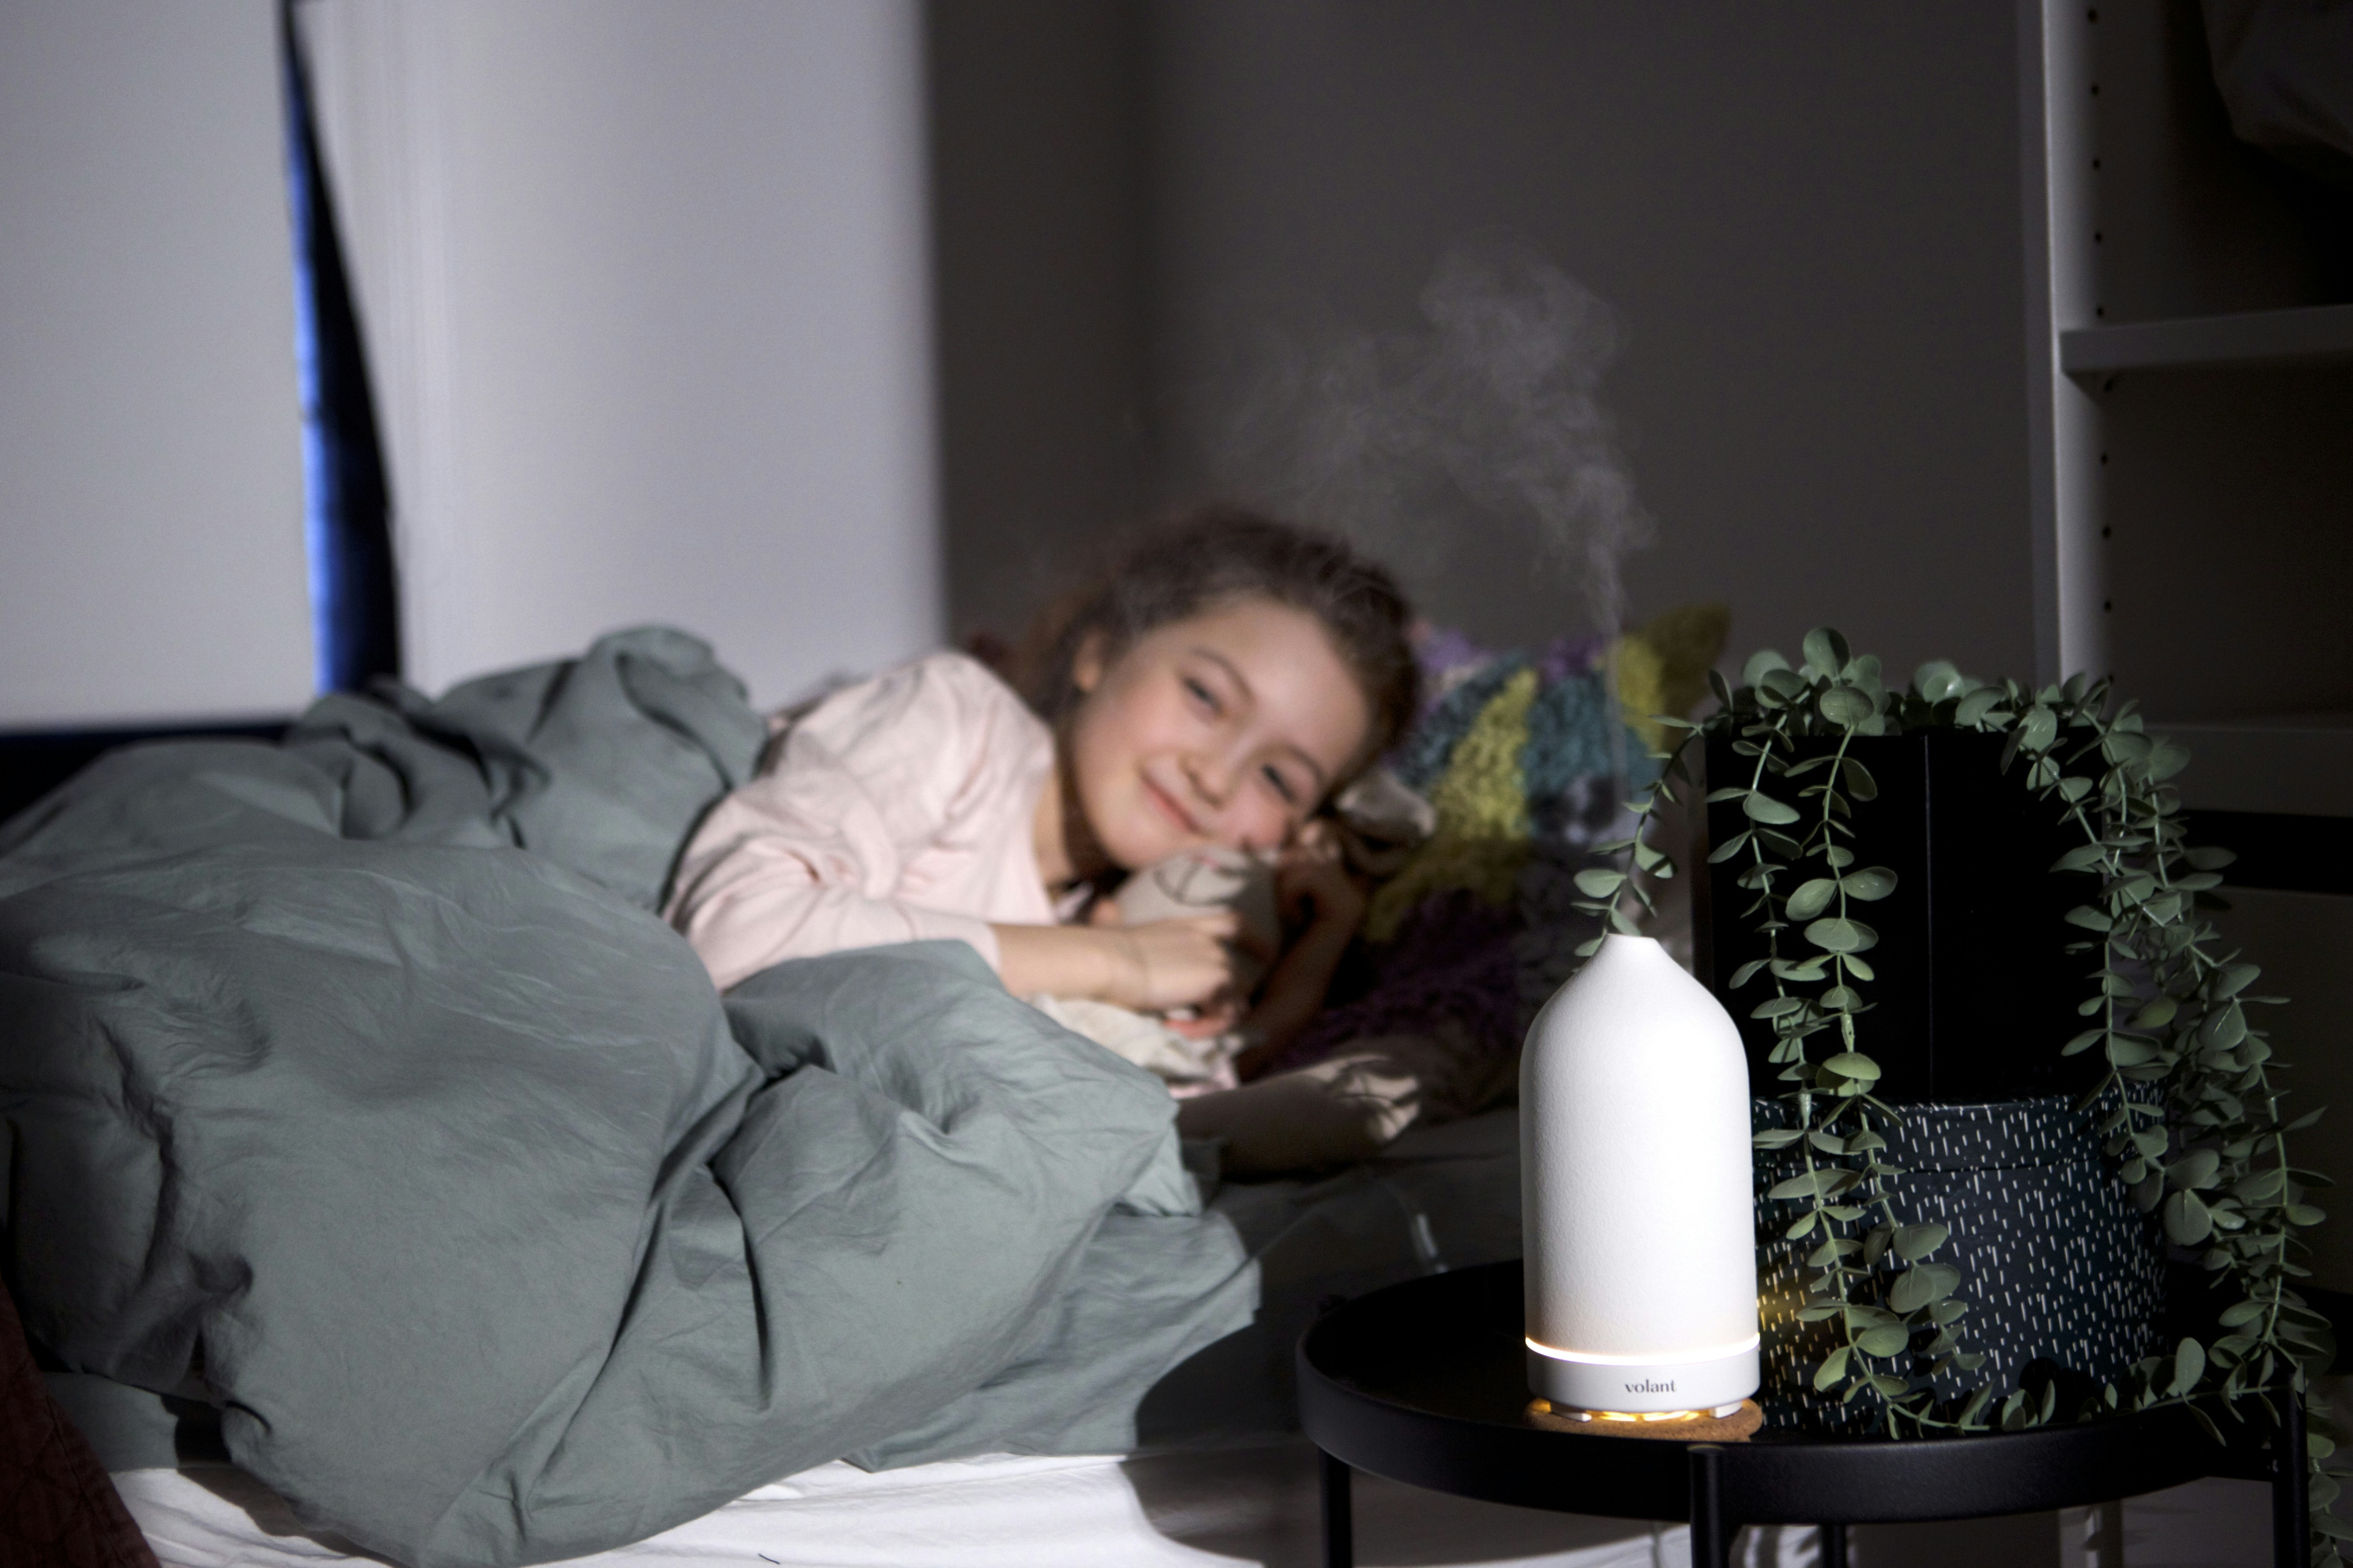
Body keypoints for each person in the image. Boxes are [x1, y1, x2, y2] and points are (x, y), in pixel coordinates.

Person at [663, 506, 1419, 1060]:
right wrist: (1117, 967)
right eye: (1205, 696)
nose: (1216, 778)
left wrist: (1317, 946)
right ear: (1100, 652)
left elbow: (1188, 1101)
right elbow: (735, 935)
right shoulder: (958, 719)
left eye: (1280, 780)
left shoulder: (1117, 911)